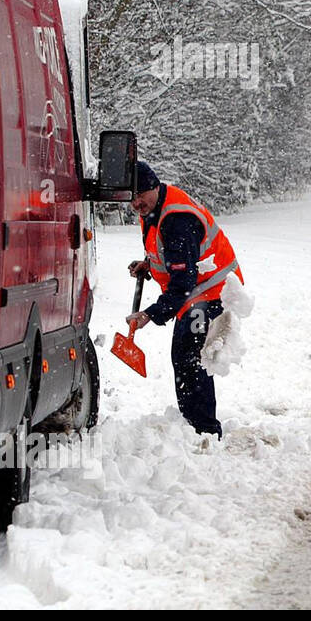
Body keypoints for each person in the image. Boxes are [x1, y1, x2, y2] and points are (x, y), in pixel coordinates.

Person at [126, 162, 243, 438]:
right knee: (185, 356)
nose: (136, 202)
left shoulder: (177, 220)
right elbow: (172, 255)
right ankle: (194, 424)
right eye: (131, 197)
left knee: (191, 357)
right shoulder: (155, 207)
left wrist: (150, 314)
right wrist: (149, 265)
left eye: (141, 194)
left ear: (155, 186)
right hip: (196, 290)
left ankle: (204, 429)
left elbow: (182, 283)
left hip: (213, 291)